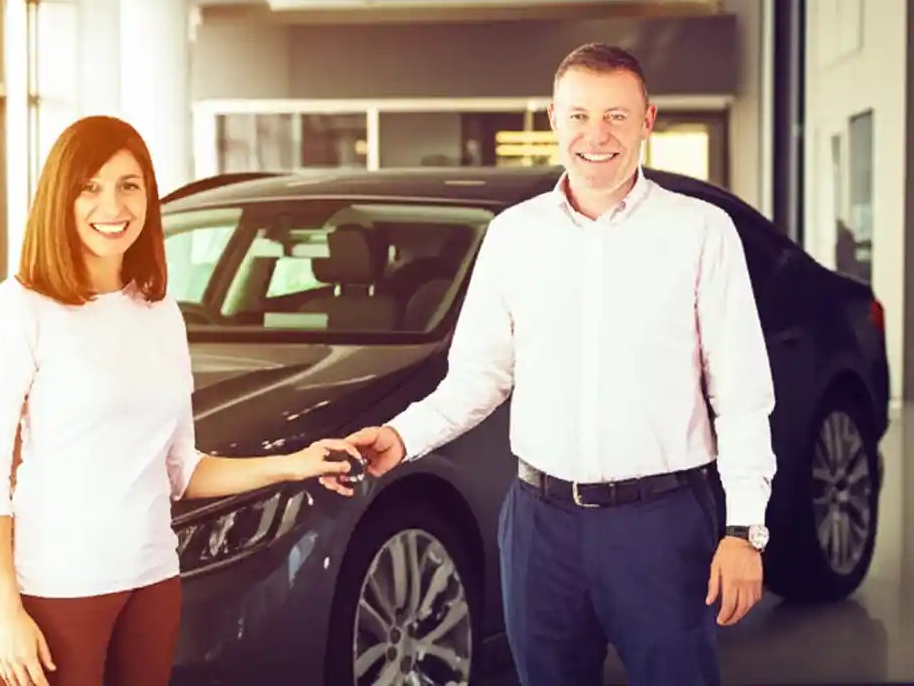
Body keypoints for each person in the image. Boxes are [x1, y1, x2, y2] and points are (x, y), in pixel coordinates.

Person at [320, 43, 777, 686]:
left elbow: (742, 394)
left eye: (617, 116)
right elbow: (480, 376)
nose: (597, 135)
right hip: (540, 525)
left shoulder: (701, 232)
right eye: (580, 115)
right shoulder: (514, 235)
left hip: (662, 525)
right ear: (552, 120)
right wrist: (402, 436)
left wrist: (744, 529)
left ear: (648, 120)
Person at [0, 115, 362, 686]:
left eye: (129, 185)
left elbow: (182, 469)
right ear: (61, 196)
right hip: (55, 589)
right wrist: (5, 609)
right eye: (91, 187)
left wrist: (293, 464)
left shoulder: (159, 312)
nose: (113, 205)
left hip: (150, 582)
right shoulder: (21, 308)